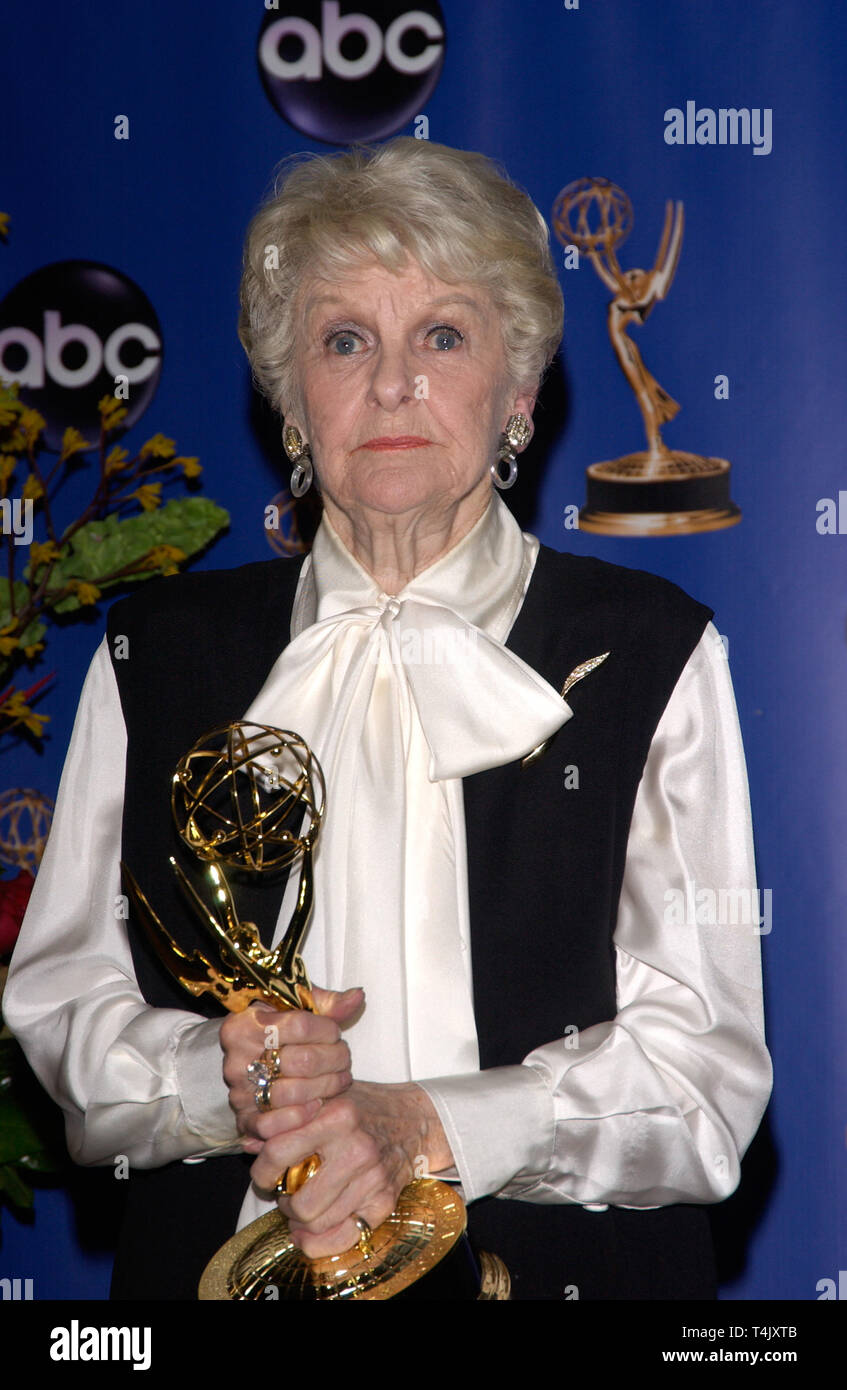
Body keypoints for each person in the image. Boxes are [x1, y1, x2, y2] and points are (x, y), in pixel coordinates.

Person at [4, 138, 771, 1301]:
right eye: (345, 339)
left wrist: (419, 1125)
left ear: (518, 393)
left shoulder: (651, 651)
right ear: (291, 401)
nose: (393, 383)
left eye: (444, 336)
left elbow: (702, 1085)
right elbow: (64, 1012)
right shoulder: (153, 652)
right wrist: (237, 1084)